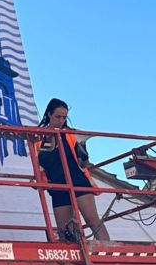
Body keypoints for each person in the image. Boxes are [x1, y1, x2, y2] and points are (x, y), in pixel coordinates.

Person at [37, 98, 110, 242]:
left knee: (92, 219)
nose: (61, 120)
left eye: (64, 117)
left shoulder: (71, 134)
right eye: (58, 116)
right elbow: (39, 164)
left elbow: (84, 162)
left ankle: (108, 250)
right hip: (57, 185)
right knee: (64, 230)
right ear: (49, 115)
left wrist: (83, 153)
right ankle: (73, 259)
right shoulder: (38, 136)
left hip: (77, 180)